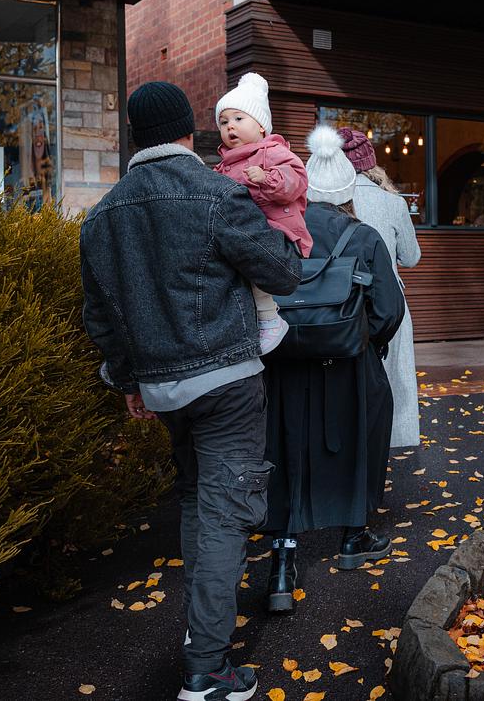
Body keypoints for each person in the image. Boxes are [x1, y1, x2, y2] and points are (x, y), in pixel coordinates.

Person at [80, 81, 301, 701]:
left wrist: (127, 382)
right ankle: (207, 669)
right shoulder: (216, 193)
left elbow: (101, 317)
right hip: (227, 378)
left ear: (133, 137)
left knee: (196, 503)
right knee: (225, 513)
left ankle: (200, 641)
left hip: (160, 388)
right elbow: (284, 271)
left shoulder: (101, 215)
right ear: (187, 131)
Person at [261, 124, 405, 614]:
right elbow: (389, 310)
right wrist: (365, 342)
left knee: (284, 451)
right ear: (348, 191)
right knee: (362, 436)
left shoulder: (274, 234)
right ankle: (352, 538)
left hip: (283, 363)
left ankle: (281, 564)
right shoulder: (362, 237)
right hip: (348, 361)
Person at [213, 72, 312, 354]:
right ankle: (256, 321)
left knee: (256, 269)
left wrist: (266, 178)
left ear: (261, 127)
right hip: (248, 230)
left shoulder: (272, 152)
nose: (230, 126)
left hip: (278, 230)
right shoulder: (224, 164)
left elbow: (295, 181)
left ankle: (270, 319)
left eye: (238, 119)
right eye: (224, 122)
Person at [338, 126, 422, 448]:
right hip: (388, 300)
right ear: (371, 162)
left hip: (341, 298)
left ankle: (351, 438)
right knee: (396, 374)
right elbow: (411, 257)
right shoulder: (392, 202)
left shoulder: (323, 199)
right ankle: (396, 439)